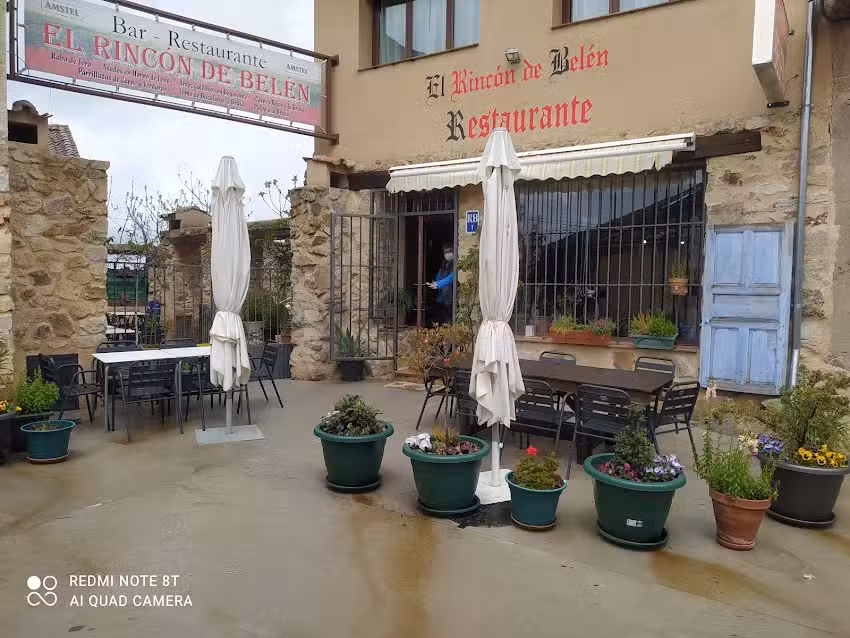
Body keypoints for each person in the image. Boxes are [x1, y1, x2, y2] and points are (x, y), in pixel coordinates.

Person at [427, 243, 455, 325]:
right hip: (441, 297)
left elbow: (453, 277)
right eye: (446, 252)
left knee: (449, 319)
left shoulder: (456, 263)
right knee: (441, 319)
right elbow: (439, 276)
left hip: (450, 297)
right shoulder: (444, 264)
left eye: (450, 251)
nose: (448, 254)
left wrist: (438, 284)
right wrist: (434, 283)